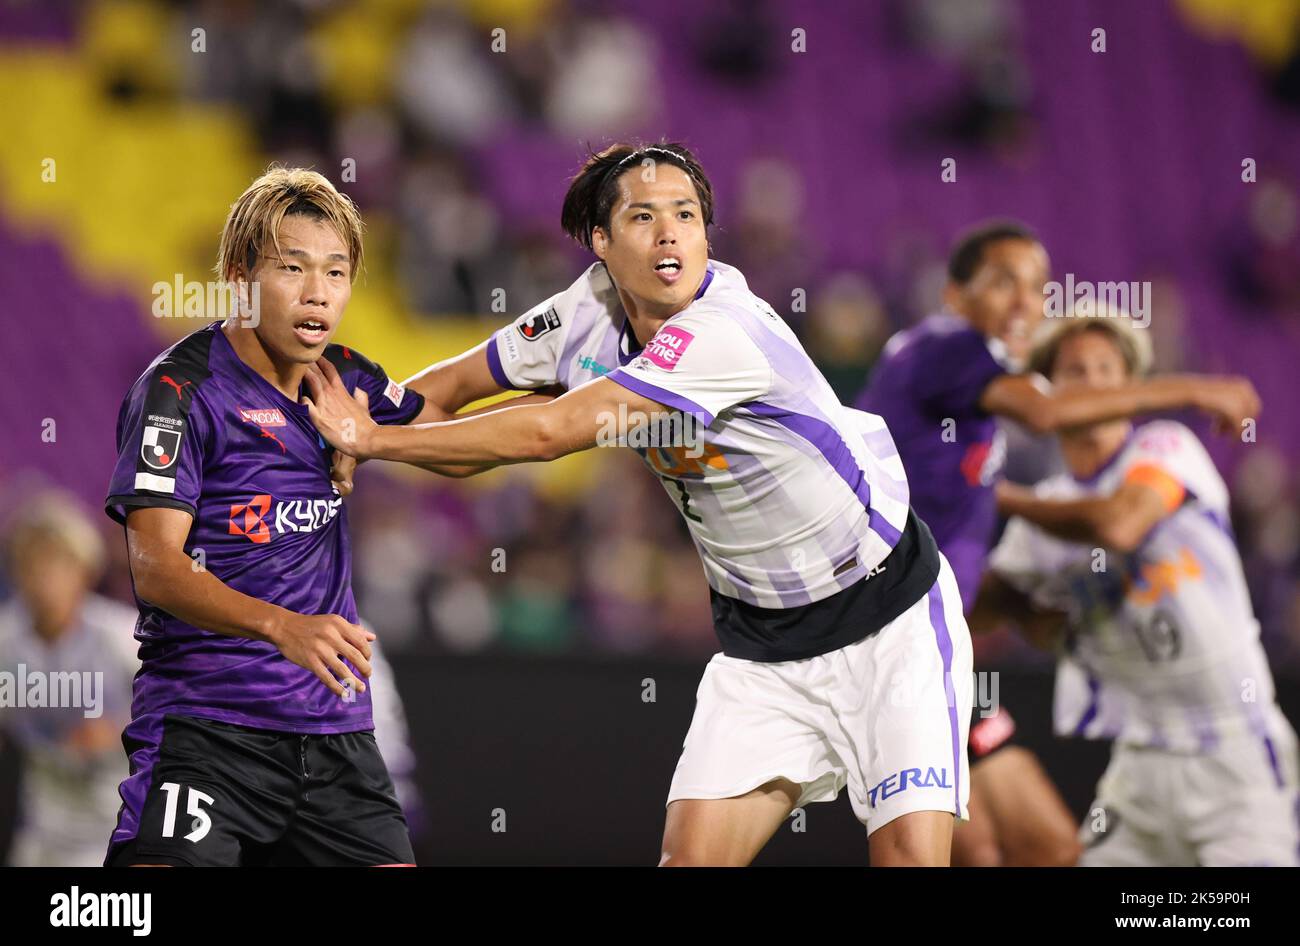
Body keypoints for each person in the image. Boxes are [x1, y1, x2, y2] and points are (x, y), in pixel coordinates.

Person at [307, 142, 973, 866]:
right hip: (765, 649)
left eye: (686, 215)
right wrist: (337, 438)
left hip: (888, 620)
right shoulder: (583, 314)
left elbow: (546, 432)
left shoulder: (724, 331)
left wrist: (372, 441)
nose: (669, 234)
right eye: (643, 215)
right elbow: (446, 393)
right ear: (600, 240)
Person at [856, 221, 1260, 866]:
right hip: (883, 649)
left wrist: (1035, 609)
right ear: (955, 296)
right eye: (1003, 282)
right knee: (966, 854)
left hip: (935, 656)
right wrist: (1194, 388)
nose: (1024, 301)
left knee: (1050, 850)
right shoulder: (950, 348)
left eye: (1037, 287)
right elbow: (1055, 436)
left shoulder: (983, 420)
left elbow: (998, 594)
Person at [102, 166, 427, 866]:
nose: (319, 293)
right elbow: (156, 569)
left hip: (336, 735)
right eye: (293, 268)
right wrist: (282, 626)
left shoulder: (345, 382)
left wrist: (579, 359)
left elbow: (457, 428)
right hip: (209, 729)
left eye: (336, 273)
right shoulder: (178, 390)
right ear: (238, 273)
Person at [974, 314, 1299, 866]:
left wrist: (996, 498)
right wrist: (1021, 610)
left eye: (1109, 369)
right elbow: (971, 610)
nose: (1095, 382)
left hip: (1233, 755)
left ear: (1130, 386)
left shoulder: (1166, 447)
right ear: (1047, 394)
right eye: (1076, 370)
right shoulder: (1042, 520)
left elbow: (1119, 524)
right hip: (1139, 764)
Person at [0, 492, 138, 866]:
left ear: (84, 568)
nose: (44, 577)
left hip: (117, 826)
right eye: (32, 561)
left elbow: (179, 713)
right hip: (39, 829)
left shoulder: (122, 638)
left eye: (57, 561)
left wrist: (120, 730)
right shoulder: (6, 642)